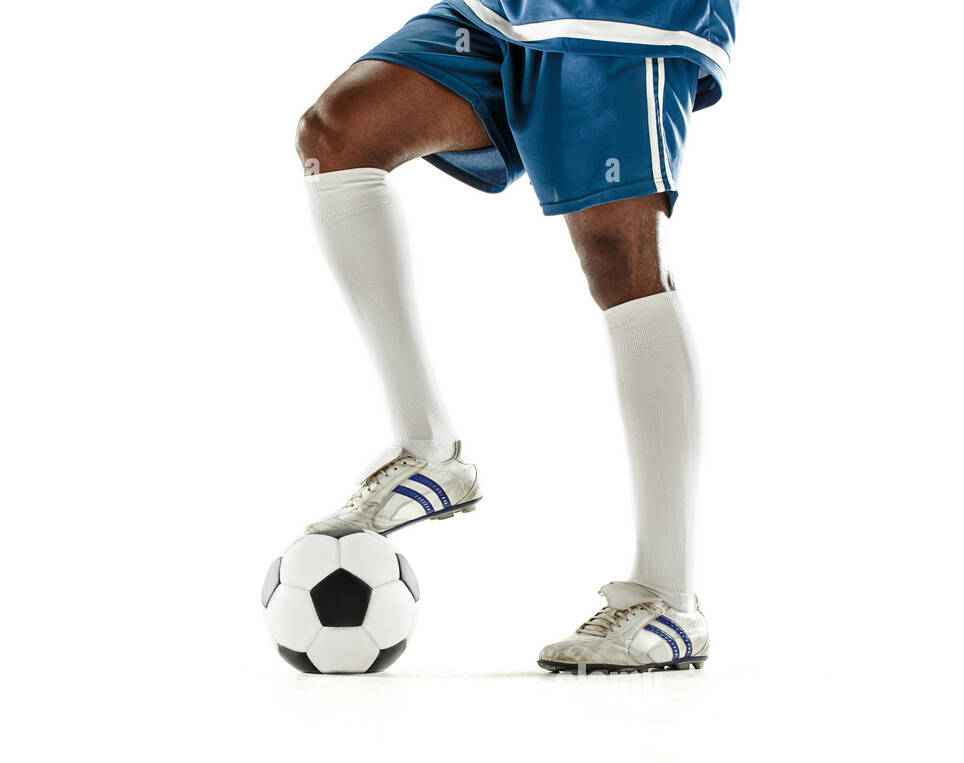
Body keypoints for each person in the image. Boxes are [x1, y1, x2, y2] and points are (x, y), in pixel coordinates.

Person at [297, 1, 739, 672]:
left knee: (620, 260)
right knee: (339, 132)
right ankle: (429, 450)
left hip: (620, 18)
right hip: (503, 9)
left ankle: (667, 595)